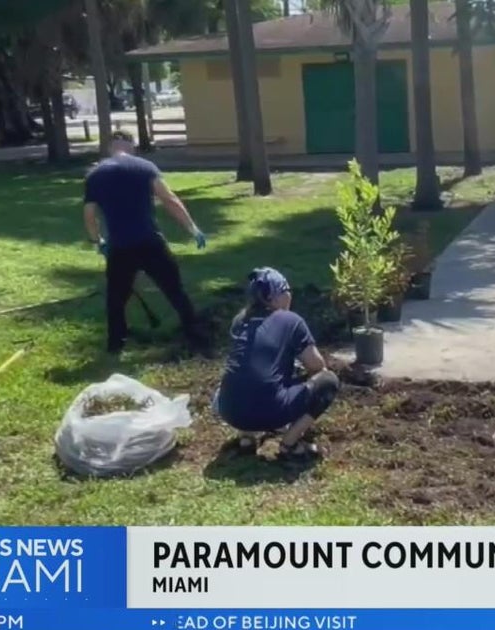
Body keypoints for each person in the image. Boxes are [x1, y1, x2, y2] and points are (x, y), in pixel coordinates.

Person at [82, 131, 212, 358]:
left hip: (120, 247)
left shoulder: (95, 174)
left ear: (111, 147)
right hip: (150, 242)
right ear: (130, 146)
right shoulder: (145, 167)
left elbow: (89, 215)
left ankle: (115, 345)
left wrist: (98, 240)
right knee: (175, 291)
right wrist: (192, 228)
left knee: (116, 299)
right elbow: (169, 199)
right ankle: (196, 336)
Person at [212, 268, 341, 460]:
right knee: (328, 380)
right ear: (275, 295)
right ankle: (290, 444)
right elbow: (316, 366)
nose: (290, 296)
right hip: (270, 411)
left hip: (228, 410)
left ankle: (246, 438)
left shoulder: (240, 321)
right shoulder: (291, 321)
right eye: (287, 290)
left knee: (243, 378)